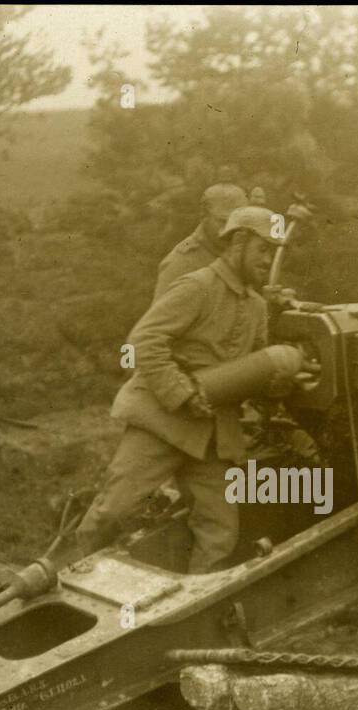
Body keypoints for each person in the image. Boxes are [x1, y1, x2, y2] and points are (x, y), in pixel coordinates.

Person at [77, 206, 300, 572]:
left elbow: (254, 369)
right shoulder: (198, 286)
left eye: (274, 253)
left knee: (219, 534)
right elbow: (145, 340)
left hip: (214, 437)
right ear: (239, 242)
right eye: (263, 250)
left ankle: (189, 616)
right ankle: (62, 591)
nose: (268, 261)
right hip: (163, 422)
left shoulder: (258, 307)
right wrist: (180, 393)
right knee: (111, 512)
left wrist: (280, 378)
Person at [153, 183, 249, 299]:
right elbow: (163, 316)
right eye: (224, 221)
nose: (232, 229)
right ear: (204, 216)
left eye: (240, 223)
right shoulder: (180, 263)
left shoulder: (247, 254)